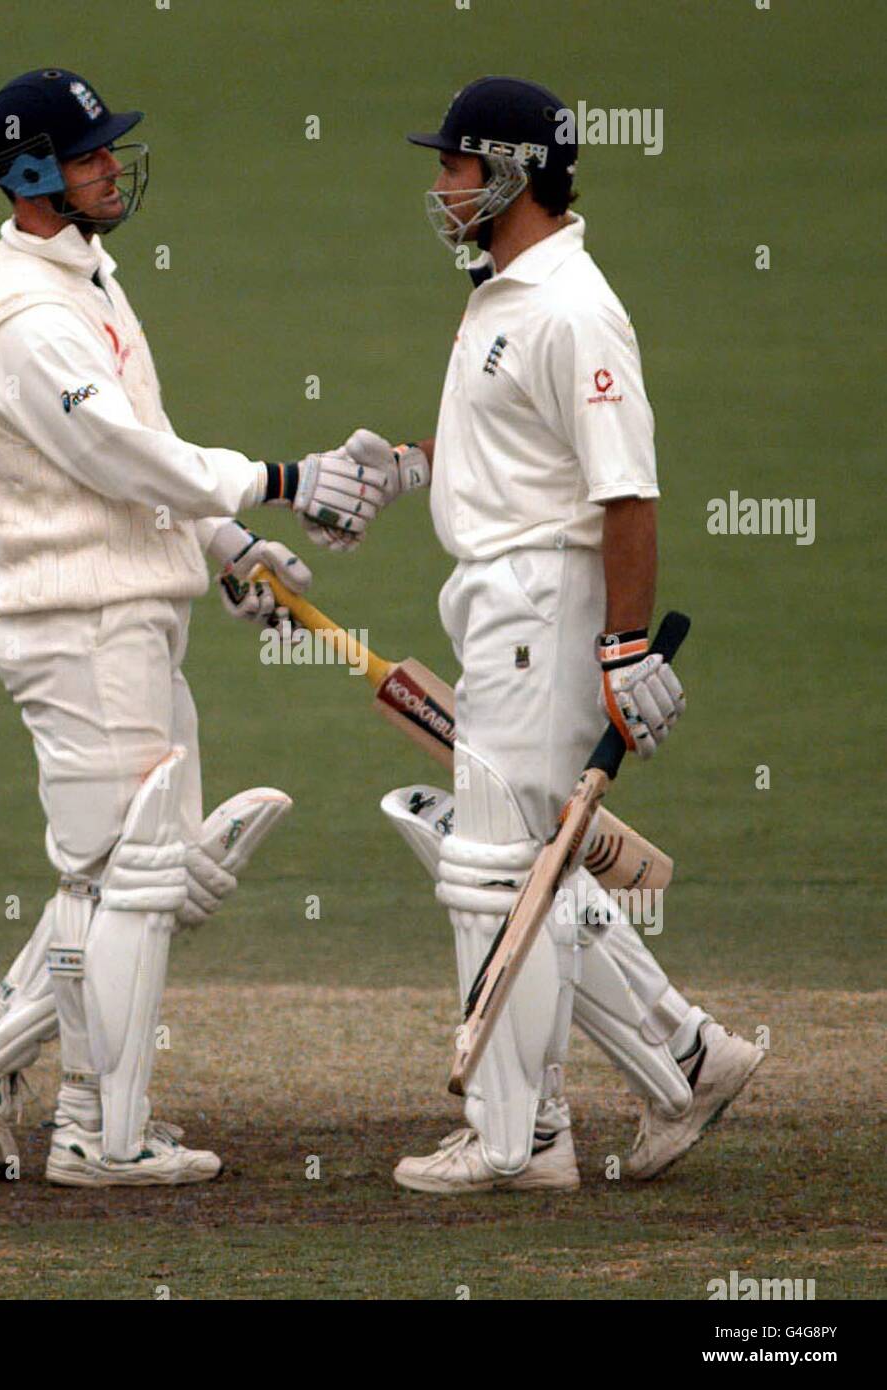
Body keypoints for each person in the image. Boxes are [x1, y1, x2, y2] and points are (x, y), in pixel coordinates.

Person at [0, 68, 384, 1187]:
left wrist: (227, 547)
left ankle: (13, 1064)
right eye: (88, 155)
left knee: (132, 875)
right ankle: (98, 1136)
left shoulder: (89, 278)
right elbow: (122, 456)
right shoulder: (26, 320)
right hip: (75, 621)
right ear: (32, 177)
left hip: (127, 609)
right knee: (130, 876)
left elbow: (147, 448)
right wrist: (281, 480)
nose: (110, 165)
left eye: (108, 149)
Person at [347, 76, 764, 1192]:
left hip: (544, 606)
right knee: (529, 864)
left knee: (492, 871)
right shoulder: (503, 290)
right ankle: (686, 1057)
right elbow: (503, 456)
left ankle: (519, 1138)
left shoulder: (575, 307)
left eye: (456, 166)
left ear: (513, 172)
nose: (439, 187)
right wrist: (395, 471)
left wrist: (626, 648)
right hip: (498, 601)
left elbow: (625, 492)